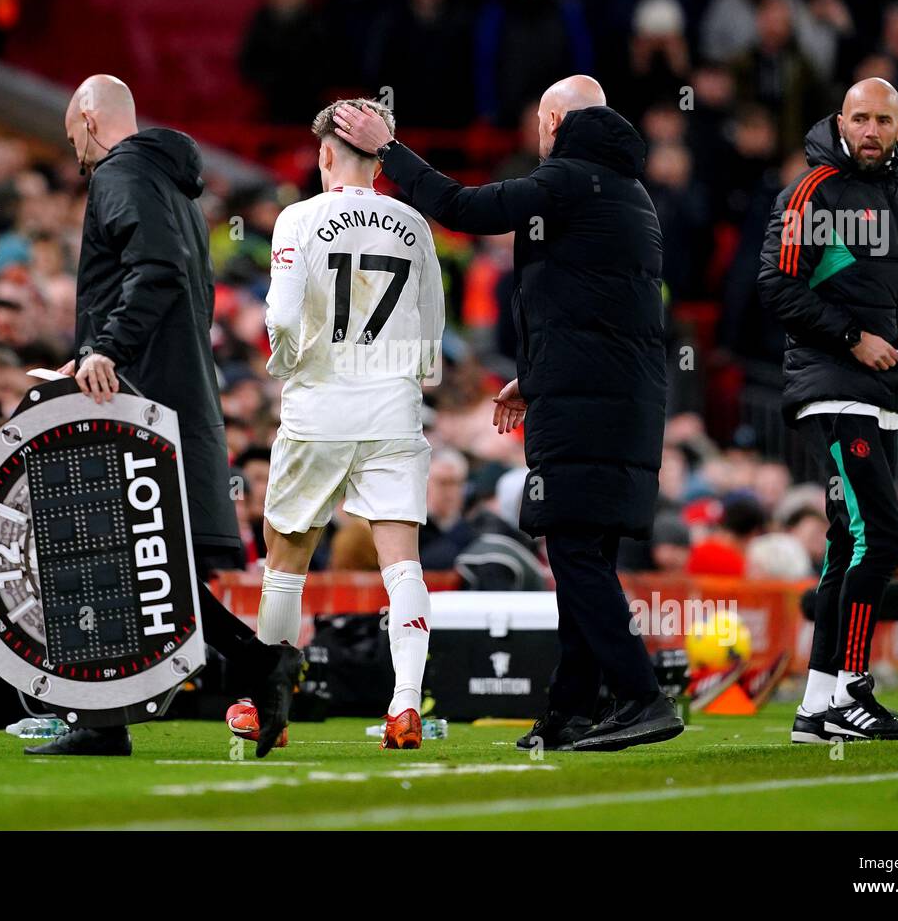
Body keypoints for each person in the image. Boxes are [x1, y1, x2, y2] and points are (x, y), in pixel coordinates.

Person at [335, 75, 681, 752]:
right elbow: (603, 311)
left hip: (587, 406)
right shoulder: (630, 192)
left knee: (575, 551)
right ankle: (570, 712)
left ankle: (642, 695)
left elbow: (463, 207)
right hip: (619, 398)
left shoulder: (569, 179)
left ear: (552, 121)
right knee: (587, 553)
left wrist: (390, 151)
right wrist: (539, 374)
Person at [38, 74, 301, 757]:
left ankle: (107, 720)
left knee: (112, 552)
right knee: (148, 561)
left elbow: (154, 271)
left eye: (74, 139)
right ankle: (248, 666)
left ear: (91, 121)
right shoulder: (173, 187)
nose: (77, 155)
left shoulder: (120, 174)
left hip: (136, 395)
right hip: (170, 392)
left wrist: (103, 348)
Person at [227, 98, 443, 750]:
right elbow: (431, 332)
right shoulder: (414, 223)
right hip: (391, 407)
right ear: (381, 154)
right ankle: (406, 702)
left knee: (286, 561)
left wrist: (287, 363)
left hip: (319, 404)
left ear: (324, 154)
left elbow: (284, 317)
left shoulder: (299, 218)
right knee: (401, 561)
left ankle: (268, 709)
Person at [758, 77, 898, 743]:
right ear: (841, 121)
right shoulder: (812, 191)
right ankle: (852, 690)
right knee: (884, 537)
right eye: (860, 118)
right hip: (833, 387)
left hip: (884, 394)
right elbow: (775, 283)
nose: (870, 130)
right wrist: (851, 337)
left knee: (847, 543)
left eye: (882, 120)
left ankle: (816, 704)